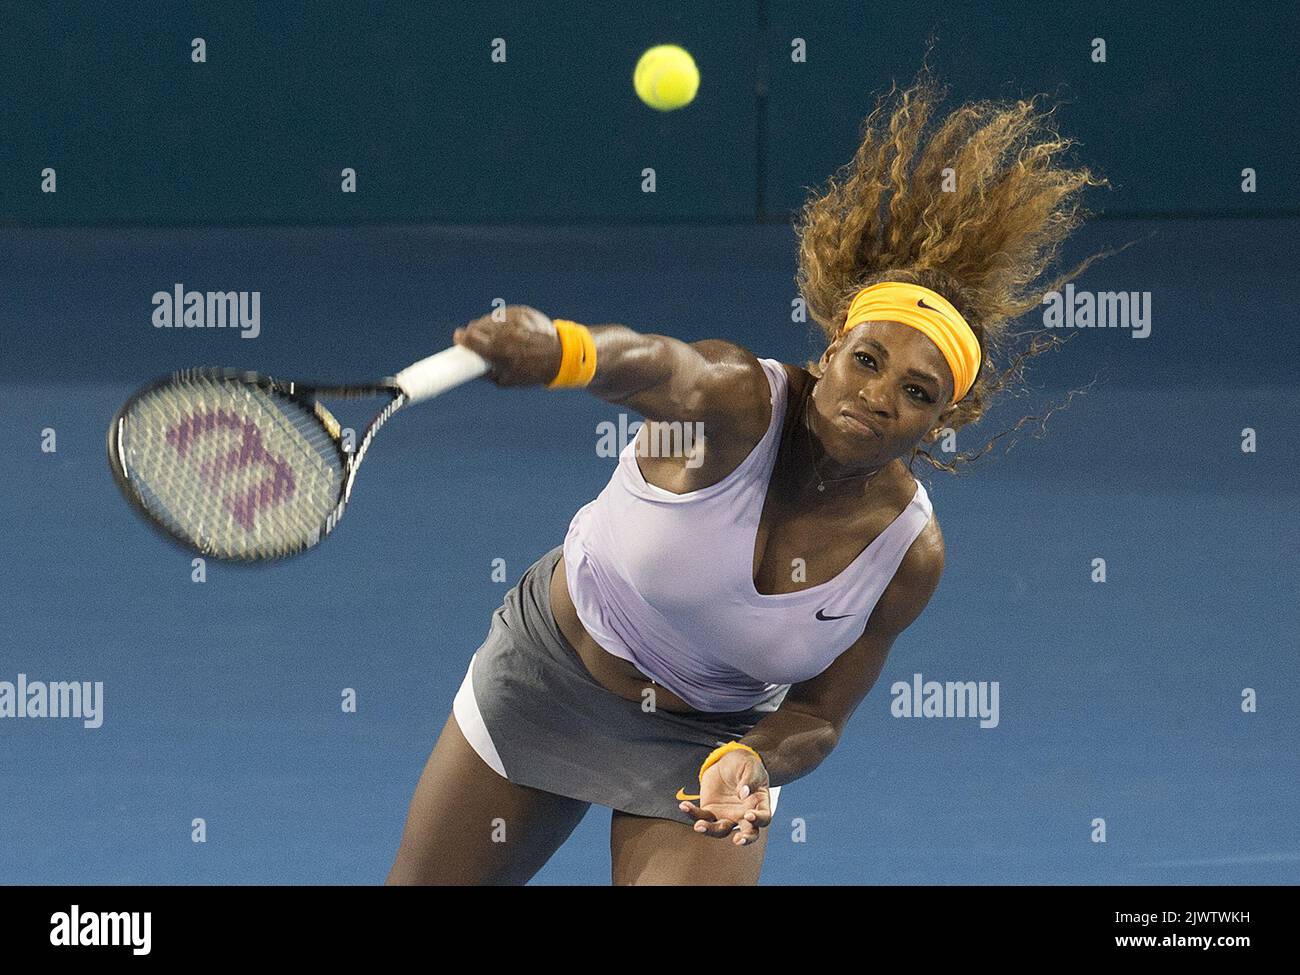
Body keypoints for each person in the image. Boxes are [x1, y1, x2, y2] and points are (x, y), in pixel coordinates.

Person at [386, 68, 1105, 885]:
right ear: (829, 350)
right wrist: (563, 350)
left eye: (916, 393)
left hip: (706, 743)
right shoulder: (735, 404)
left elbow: (818, 714)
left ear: (942, 422)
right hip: (554, 674)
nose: (877, 397)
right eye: (866, 360)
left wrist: (753, 760)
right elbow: (661, 366)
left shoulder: (909, 554)